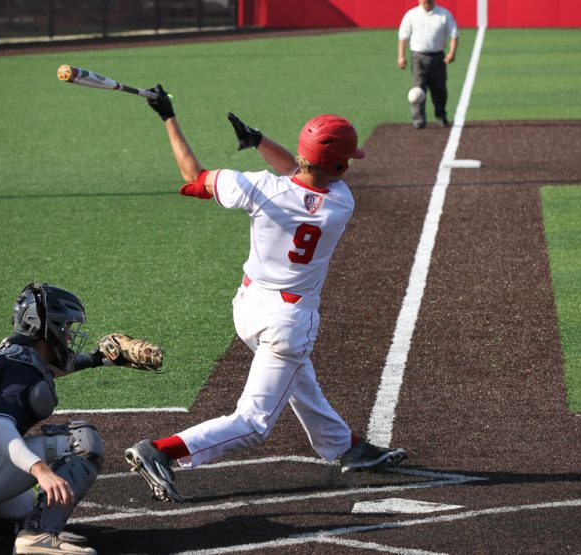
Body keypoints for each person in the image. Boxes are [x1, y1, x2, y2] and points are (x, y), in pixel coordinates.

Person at [124, 86, 407, 503]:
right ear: (341, 166)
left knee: (299, 378)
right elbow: (307, 171)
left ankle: (346, 447)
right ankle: (161, 451)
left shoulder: (258, 189)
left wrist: (167, 116)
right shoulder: (340, 203)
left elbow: (194, 177)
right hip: (288, 322)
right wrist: (259, 142)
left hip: (248, 307)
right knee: (254, 423)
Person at [0, 283, 158, 554]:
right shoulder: (20, 368)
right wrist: (40, 470)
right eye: (64, 327)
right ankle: (39, 535)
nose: (68, 335)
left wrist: (102, 359)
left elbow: (50, 369)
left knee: (27, 508)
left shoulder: (14, 354)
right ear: (46, 328)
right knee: (81, 442)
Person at [398, 0, 459, 129]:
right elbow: (403, 36)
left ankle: (441, 115)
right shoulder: (411, 15)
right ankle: (418, 119)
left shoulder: (443, 14)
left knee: (439, 89)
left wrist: (452, 53)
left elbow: (453, 34)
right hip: (418, 57)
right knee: (418, 89)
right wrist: (401, 57)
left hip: (438, 57)